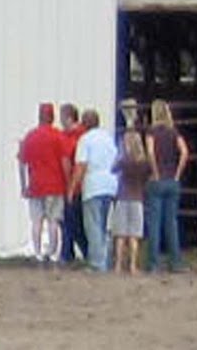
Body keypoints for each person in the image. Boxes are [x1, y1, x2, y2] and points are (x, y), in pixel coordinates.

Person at [17, 103, 68, 263]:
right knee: (53, 221)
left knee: (36, 221)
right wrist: (68, 183)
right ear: (52, 117)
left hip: (35, 185)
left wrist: (23, 186)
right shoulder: (58, 136)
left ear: (39, 117)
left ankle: (37, 252)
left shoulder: (30, 136)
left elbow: (21, 163)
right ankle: (52, 253)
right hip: (55, 185)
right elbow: (65, 161)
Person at [144, 99, 190, 273]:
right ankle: (175, 262)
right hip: (172, 180)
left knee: (154, 224)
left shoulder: (151, 132)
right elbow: (184, 152)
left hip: (157, 180)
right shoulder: (173, 131)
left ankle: (154, 263)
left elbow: (150, 151)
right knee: (171, 223)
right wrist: (178, 173)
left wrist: (155, 171)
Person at [71, 108, 118, 272]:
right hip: (110, 184)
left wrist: (72, 188)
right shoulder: (108, 138)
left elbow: (81, 165)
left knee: (93, 225)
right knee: (104, 225)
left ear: (84, 124)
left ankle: (97, 263)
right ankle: (105, 259)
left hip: (93, 185)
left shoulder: (85, 140)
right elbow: (116, 160)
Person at [111, 130, 149, 275]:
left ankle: (118, 265)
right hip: (137, 198)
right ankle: (133, 266)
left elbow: (113, 169)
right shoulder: (144, 162)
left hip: (122, 197)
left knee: (120, 234)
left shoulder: (124, 161)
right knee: (134, 235)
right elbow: (146, 178)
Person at [58, 103, 87, 264]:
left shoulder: (71, 137)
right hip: (82, 184)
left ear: (69, 118)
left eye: (62, 117)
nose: (61, 120)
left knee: (71, 221)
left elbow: (66, 161)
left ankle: (80, 251)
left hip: (73, 185)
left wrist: (70, 183)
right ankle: (68, 252)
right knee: (73, 220)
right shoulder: (83, 134)